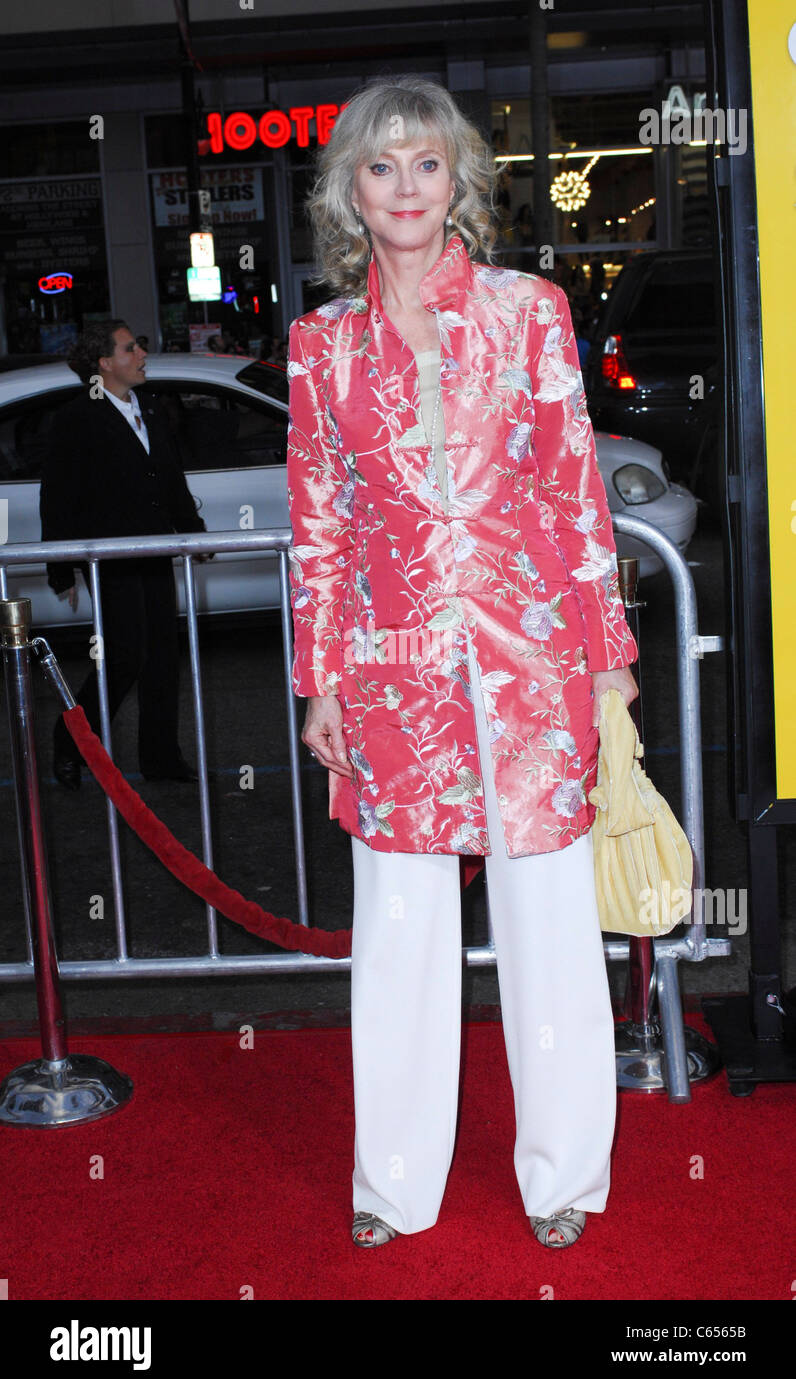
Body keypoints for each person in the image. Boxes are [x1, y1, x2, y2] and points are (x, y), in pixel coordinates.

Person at [286, 76, 639, 1251]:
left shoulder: (529, 311)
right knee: (398, 934)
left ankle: (562, 1178)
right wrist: (321, 678)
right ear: (349, 189)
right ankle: (390, 1182)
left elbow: (574, 489)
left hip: (531, 662)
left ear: (459, 184)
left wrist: (606, 662)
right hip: (392, 675)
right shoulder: (320, 343)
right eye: (379, 167)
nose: (403, 187)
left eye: (425, 164)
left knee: (548, 924)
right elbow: (321, 524)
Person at [40, 320, 208, 789]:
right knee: (124, 657)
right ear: (104, 363)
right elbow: (57, 497)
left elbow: (170, 480)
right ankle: (69, 741)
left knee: (161, 656)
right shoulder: (77, 419)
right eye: (130, 348)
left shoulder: (151, 409)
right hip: (109, 556)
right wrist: (61, 568)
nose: (142, 354)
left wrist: (193, 534)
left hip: (154, 549)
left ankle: (161, 758)